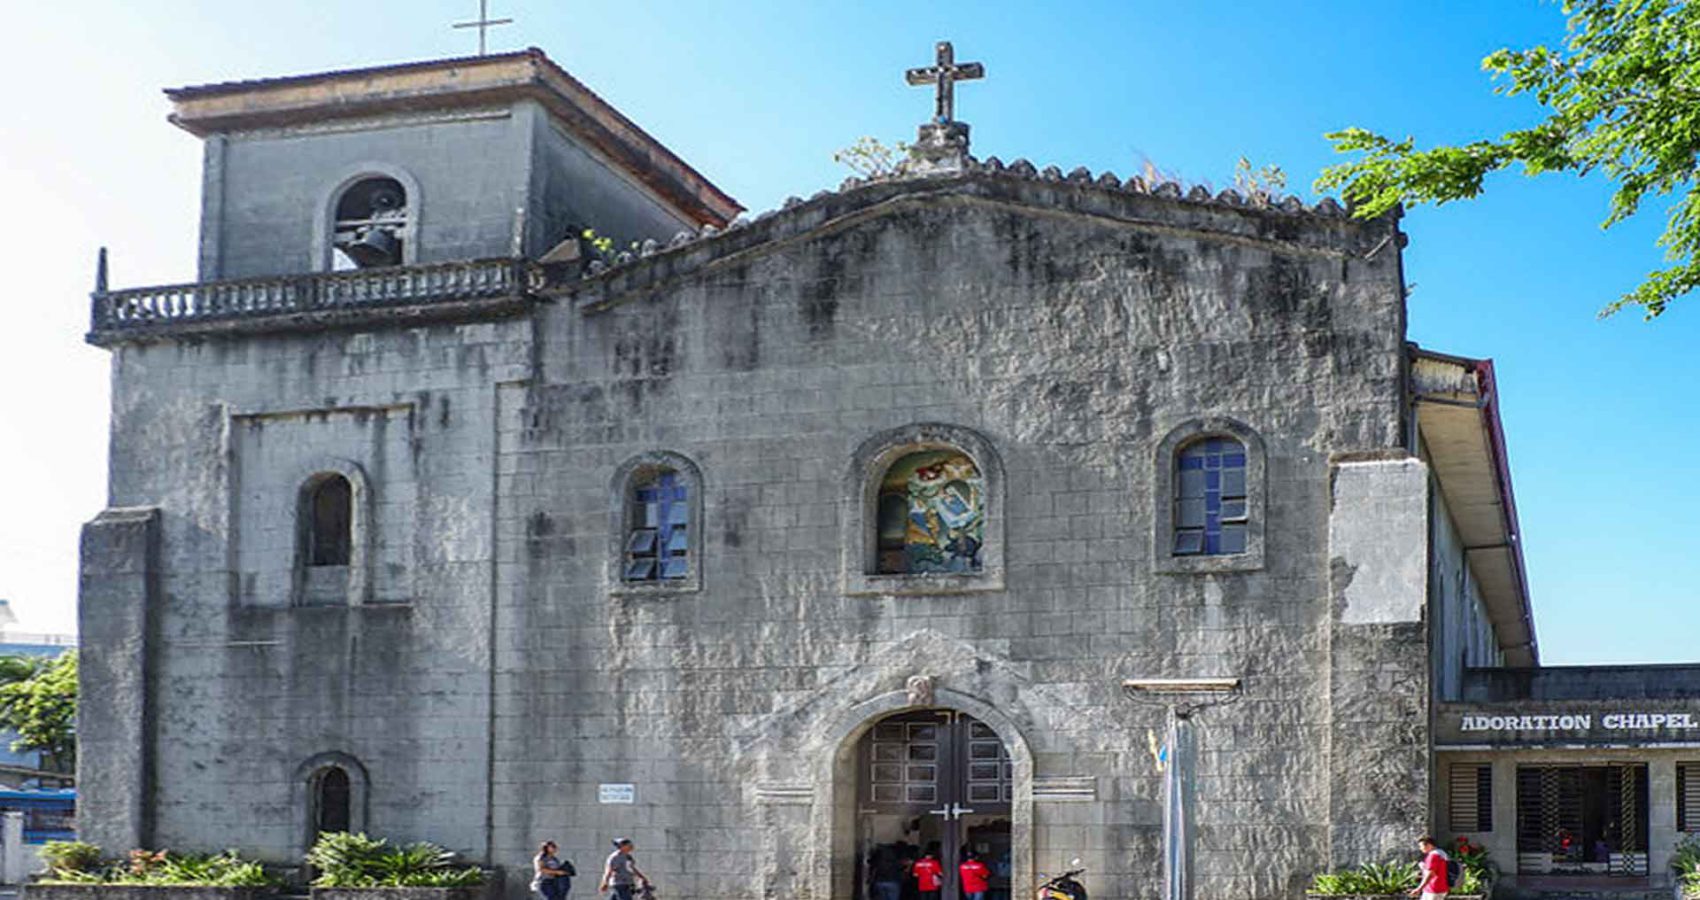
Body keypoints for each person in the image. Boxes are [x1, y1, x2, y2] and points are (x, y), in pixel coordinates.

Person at [1408, 835, 1449, 900]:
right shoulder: (1442, 853)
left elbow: (1430, 874)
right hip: (1441, 888)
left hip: (1432, 889)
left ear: (1429, 845)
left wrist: (1419, 889)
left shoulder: (1432, 856)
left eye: (1421, 846)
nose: (1420, 848)